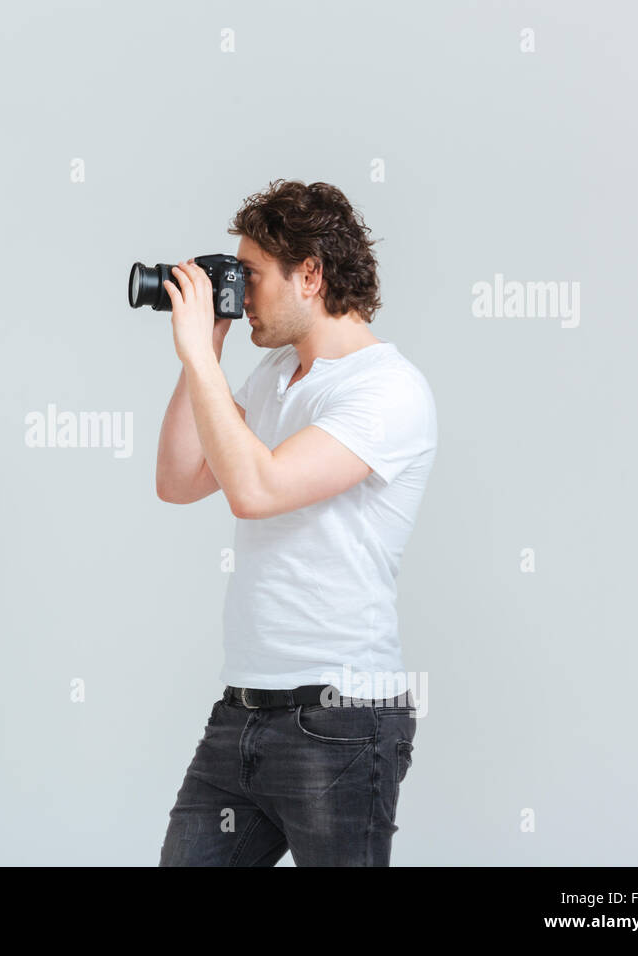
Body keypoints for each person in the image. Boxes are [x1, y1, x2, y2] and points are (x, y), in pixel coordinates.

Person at [154, 180, 437, 866]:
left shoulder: (387, 390)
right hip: (243, 712)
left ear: (309, 274)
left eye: (249, 275)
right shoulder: (278, 372)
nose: (239, 293)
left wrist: (197, 355)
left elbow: (257, 488)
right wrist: (208, 351)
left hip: (341, 721)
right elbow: (179, 480)